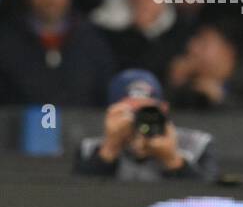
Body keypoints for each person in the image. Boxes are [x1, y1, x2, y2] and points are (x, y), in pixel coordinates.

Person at [74, 68, 218, 181]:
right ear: (111, 114)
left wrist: (173, 161)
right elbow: (75, 200)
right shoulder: (89, 149)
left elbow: (210, 204)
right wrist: (109, 150)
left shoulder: (195, 145)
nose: (140, 118)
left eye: (149, 110)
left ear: (164, 110)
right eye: (130, 111)